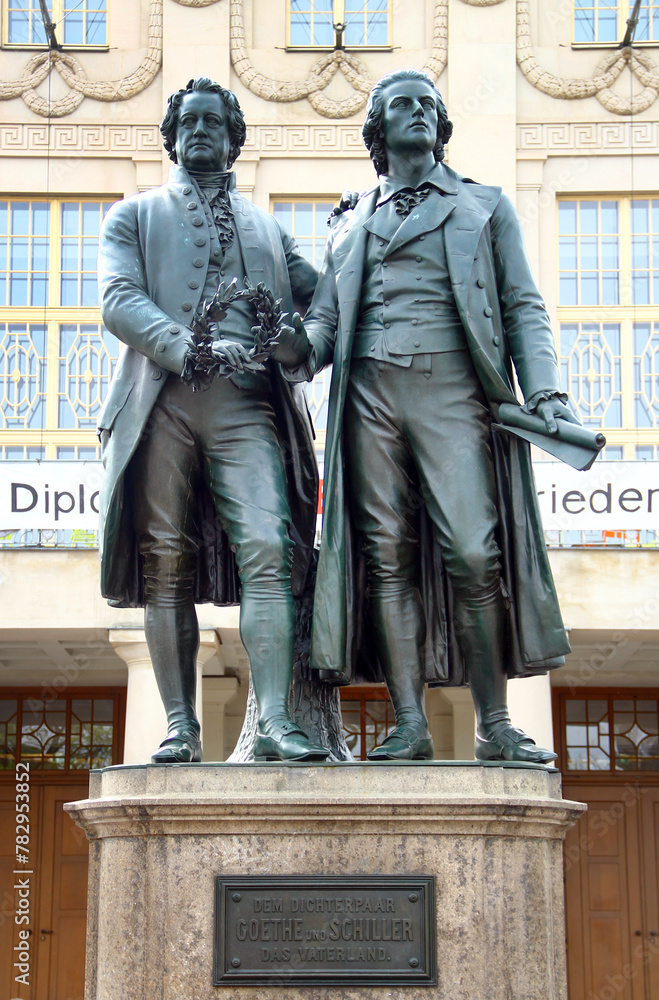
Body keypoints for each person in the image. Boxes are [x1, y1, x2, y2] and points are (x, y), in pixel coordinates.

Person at [283, 69, 578, 763]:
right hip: (368, 399)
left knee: (475, 555)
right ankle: (408, 723)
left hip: (454, 391)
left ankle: (493, 723)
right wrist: (291, 347)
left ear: (441, 126)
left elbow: (522, 307)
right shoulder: (349, 219)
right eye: (400, 105)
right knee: (386, 560)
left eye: (427, 105)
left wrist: (543, 393)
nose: (416, 113)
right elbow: (324, 323)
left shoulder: (484, 205)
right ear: (378, 130)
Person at [97, 77, 329, 763]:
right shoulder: (132, 216)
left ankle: (276, 724)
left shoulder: (268, 228)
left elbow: (322, 314)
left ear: (234, 139)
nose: (201, 131)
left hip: (248, 407)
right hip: (161, 403)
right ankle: (179, 725)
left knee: (269, 551)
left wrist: (295, 342)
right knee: (166, 563)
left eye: (214, 122)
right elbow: (117, 299)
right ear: (171, 137)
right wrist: (185, 345)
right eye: (189, 122)